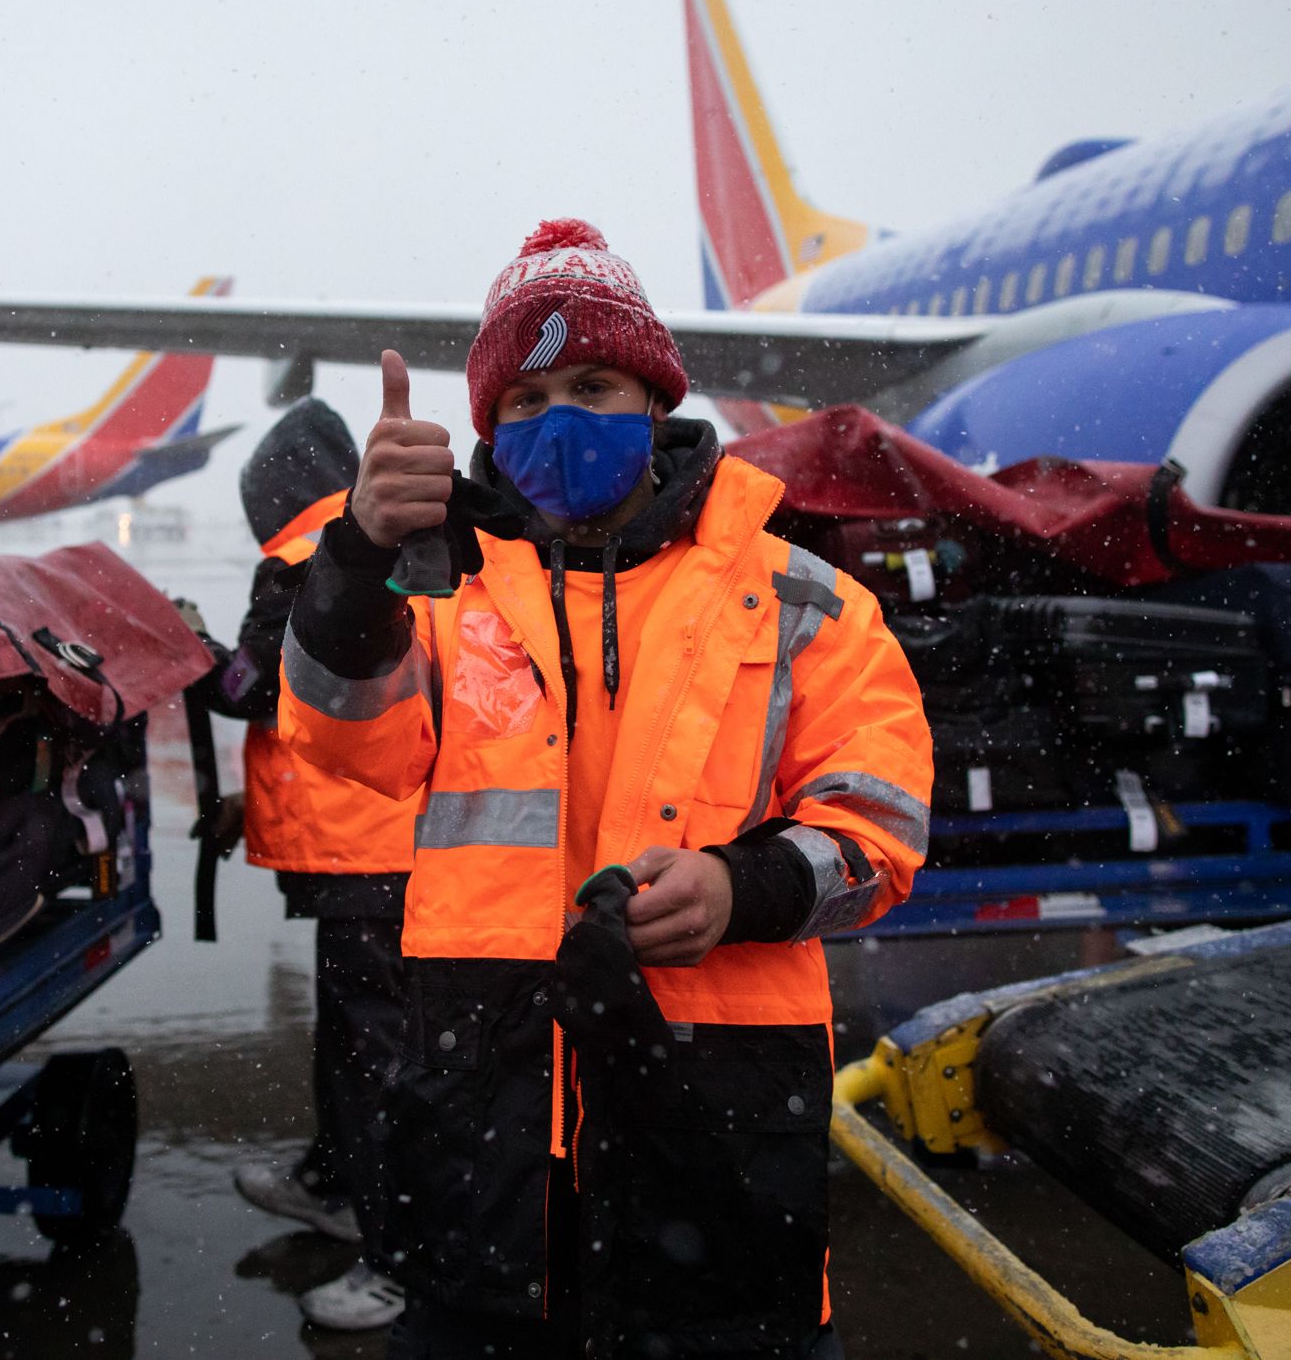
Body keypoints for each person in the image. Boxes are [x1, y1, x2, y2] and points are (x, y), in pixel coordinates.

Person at [278, 219, 932, 1359]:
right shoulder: (439, 589)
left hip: (714, 1134)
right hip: (487, 1132)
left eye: (591, 382)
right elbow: (344, 742)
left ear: (655, 397)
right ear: (484, 423)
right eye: (522, 400)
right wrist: (352, 555)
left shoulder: (803, 600)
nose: (557, 417)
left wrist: (749, 888)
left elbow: (880, 828)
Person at [209, 399, 419, 1332]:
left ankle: (402, 1259)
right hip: (378, 844)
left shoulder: (302, 553)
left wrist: (188, 657)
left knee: (379, 1061)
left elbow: (249, 688)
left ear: (275, 492)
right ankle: (334, 1183)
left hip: (365, 849)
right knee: (353, 1042)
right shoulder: (375, 542)